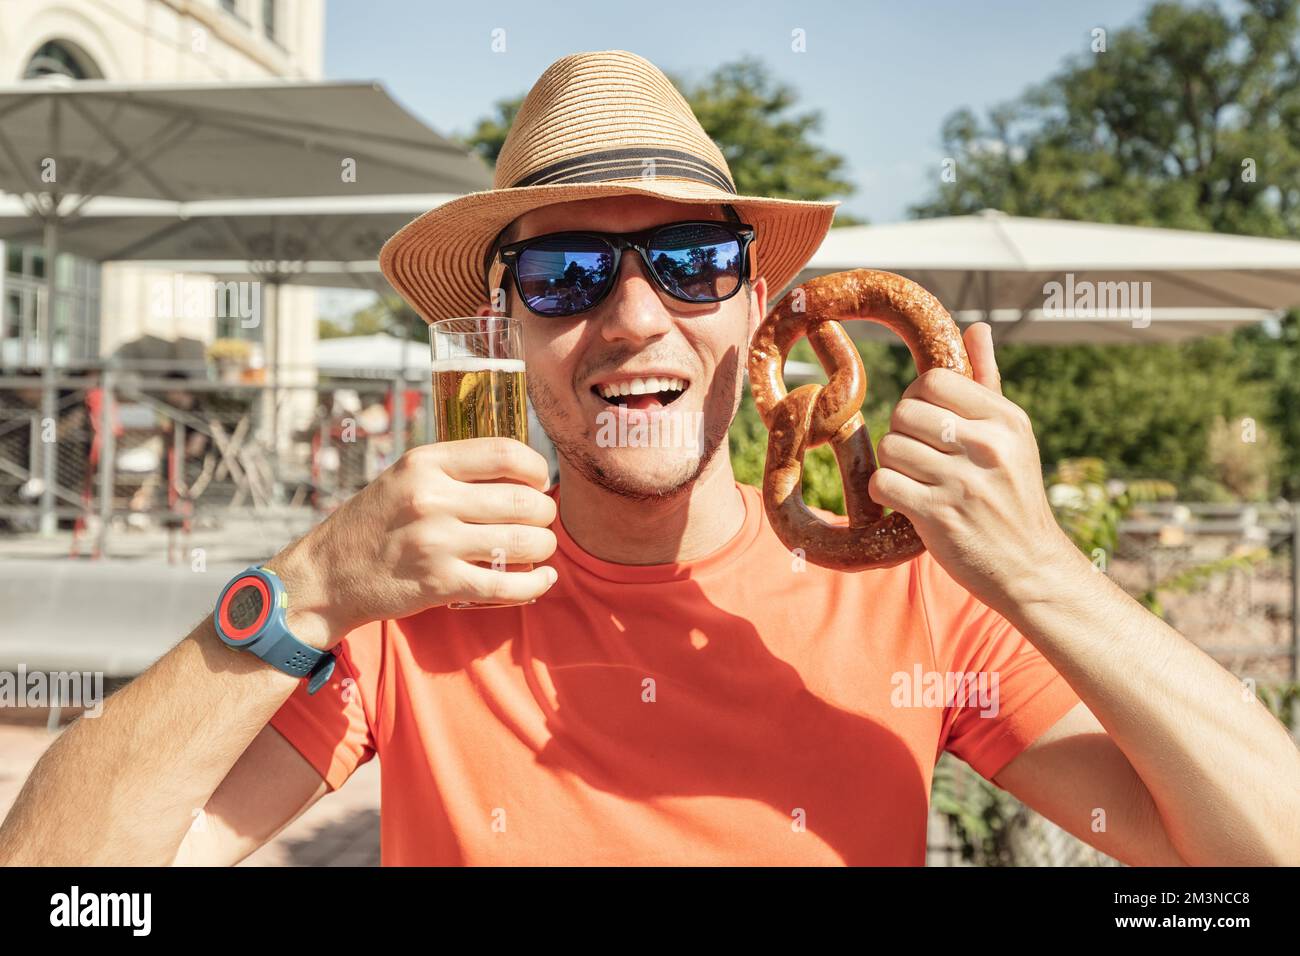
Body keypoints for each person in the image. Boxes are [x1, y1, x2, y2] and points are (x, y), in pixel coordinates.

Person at [2, 50, 1296, 867]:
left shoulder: (915, 601)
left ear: (758, 310)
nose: (633, 320)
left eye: (690, 263)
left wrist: (1044, 573)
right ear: (505, 329)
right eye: (566, 274)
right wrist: (302, 589)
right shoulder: (417, 612)